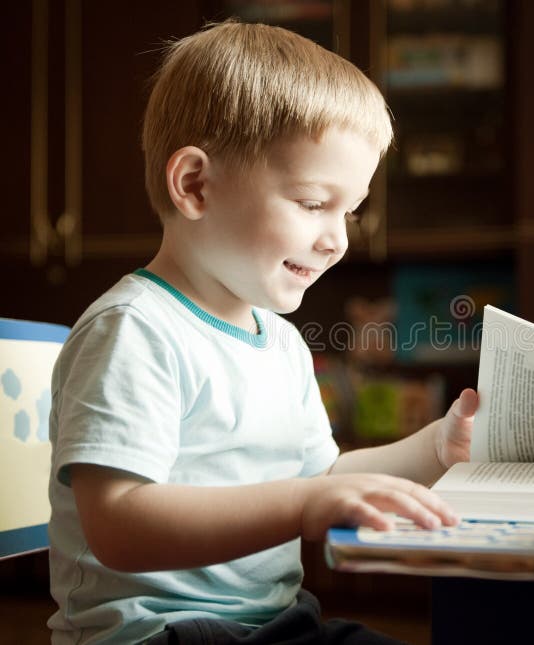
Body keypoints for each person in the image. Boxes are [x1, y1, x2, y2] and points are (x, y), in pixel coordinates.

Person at [47, 18, 478, 645]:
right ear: (195, 185)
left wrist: (437, 449)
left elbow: (321, 479)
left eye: (349, 211)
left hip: (275, 625)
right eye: (312, 203)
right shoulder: (134, 331)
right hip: (158, 634)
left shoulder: (277, 341)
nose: (337, 239)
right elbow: (118, 526)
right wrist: (303, 508)